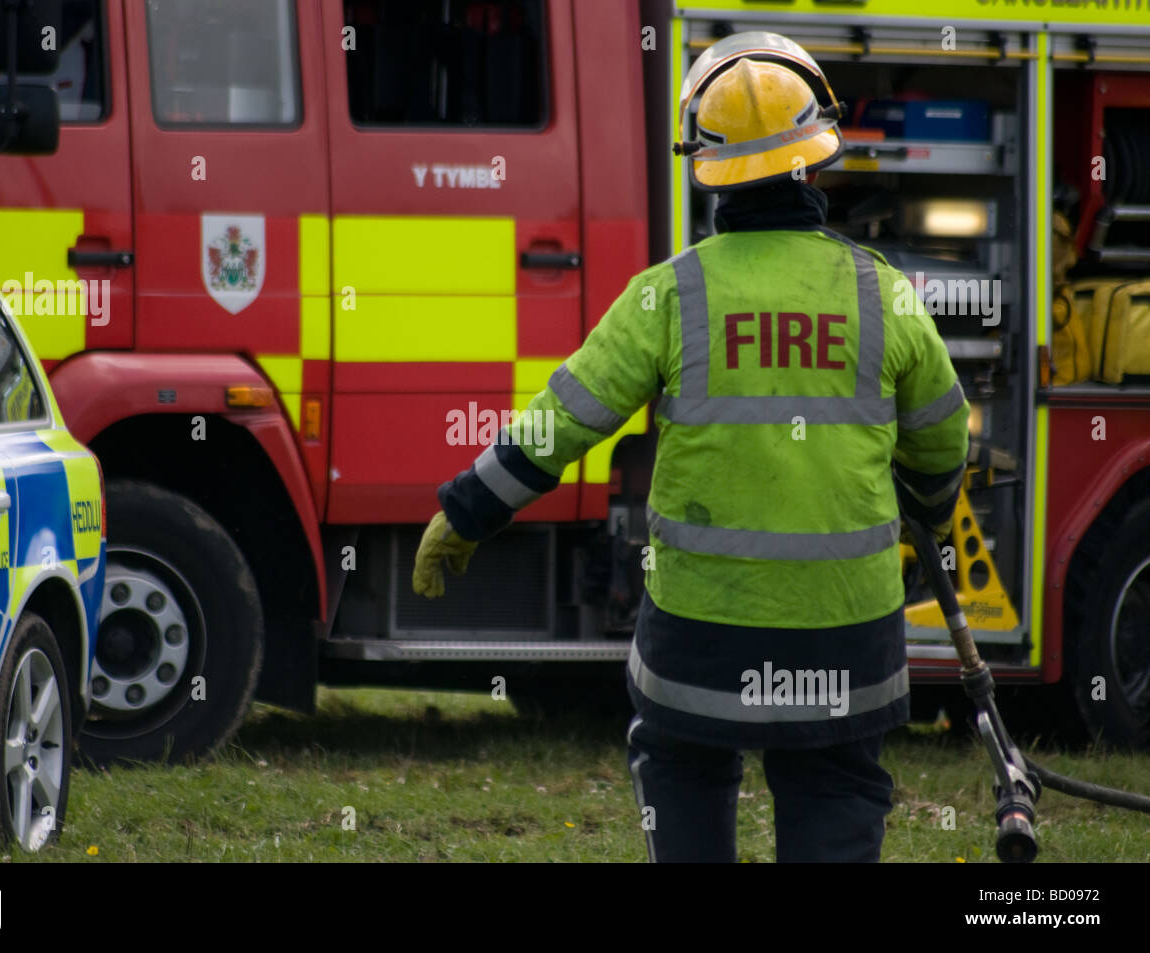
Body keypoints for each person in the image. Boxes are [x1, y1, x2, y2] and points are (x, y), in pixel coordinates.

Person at [411, 31, 968, 863]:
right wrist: (925, 520)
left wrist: (465, 510)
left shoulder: (669, 296)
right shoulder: (886, 294)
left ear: (705, 170)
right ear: (813, 164)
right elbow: (941, 440)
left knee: (685, 777)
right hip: (846, 636)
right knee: (834, 795)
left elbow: (559, 422)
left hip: (702, 639)